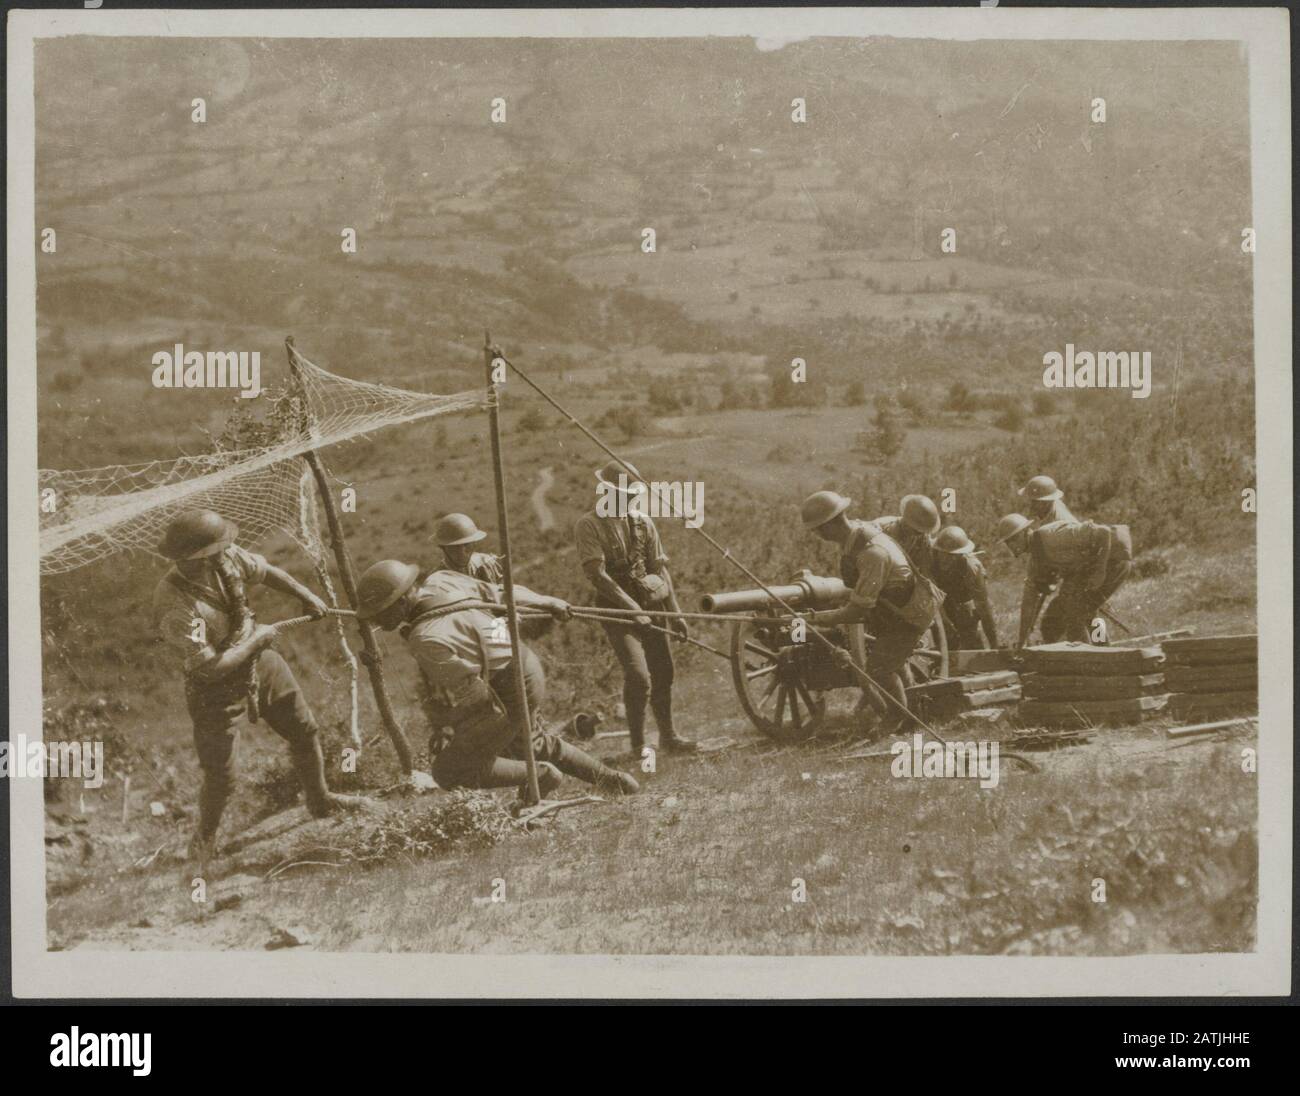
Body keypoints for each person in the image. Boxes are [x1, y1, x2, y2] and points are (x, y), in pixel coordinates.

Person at [151, 510, 364, 861]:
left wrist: (305, 595)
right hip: (213, 690)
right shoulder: (175, 605)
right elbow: (209, 668)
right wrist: (257, 640)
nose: (225, 552)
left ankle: (320, 799)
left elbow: (266, 572)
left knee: (304, 730)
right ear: (197, 557)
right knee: (223, 776)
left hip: (259, 663)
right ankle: (204, 841)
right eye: (216, 550)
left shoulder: (224, 557)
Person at [356, 559, 638, 797]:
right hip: (526, 665)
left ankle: (541, 776)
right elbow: (501, 592)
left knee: (448, 768)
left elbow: (475, 695)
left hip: (508, 690)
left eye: (382, 611)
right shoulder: (442, 581)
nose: (377, 621)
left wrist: (449, 726)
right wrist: (547, 601)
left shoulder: (424, 638)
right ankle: (615, 781)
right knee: (530, 741)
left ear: (403, 600)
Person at [575, 460, 696, 756]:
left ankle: (668, 737)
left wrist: (675, 614)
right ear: (606, 490)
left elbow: (659, 569)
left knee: (664, 671)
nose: (630, 499)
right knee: (639, 676)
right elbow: (598, 576)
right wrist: (632, 610)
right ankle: (638, 745)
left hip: (651, 603)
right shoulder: (588, 525)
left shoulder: (643, 522)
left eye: (632, 494)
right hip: (616, 610)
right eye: (623, 493)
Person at [799, 491, 936, 731]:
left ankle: (895, 716)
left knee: (878, 668)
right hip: (887, 611)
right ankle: (914, 710)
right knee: (894, 660)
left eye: (818, 529)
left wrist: (816, 618)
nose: (817, 535)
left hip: (908, 614)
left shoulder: (872, 552)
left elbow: (856, 612)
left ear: (831, 524)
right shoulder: (855, 536)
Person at [995, 513, 1133, 647]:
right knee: (1085, 609)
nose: (1011, 546)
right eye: (1008, 542)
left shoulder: (1051, 536)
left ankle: (1086, 655)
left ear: (1025, 532)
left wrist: (1100, 571)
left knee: (1075, 611)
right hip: (1098, 563)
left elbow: (1104, 532)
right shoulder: (1035, 561)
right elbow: (1028, 602)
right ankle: (1102, 647)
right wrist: (1022, 641)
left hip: (1115, 558)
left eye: (1013, 539)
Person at [931, 525, 999, 650]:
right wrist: (944, 621)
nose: (947, 559)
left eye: (952, 556)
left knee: (970, 635)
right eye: (944, 554)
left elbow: (983, 607)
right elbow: (929, 596)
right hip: (938, 598)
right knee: (943, 635)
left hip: (962, 599)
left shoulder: (971, 567)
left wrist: (994, 646)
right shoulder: (929, 558)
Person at [874, 494, 941, 580]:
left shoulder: (923, 537)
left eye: (922, 531)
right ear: (906, 523)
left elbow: (926, 569)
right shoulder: (882, 528)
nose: (920, 535)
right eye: (917, 531)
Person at [431, 512, 503, 584]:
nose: (461, 552)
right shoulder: (437, 580)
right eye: (455, 547)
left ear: (474, 543)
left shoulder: (486, 565)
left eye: (467, 545)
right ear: (443, 548)